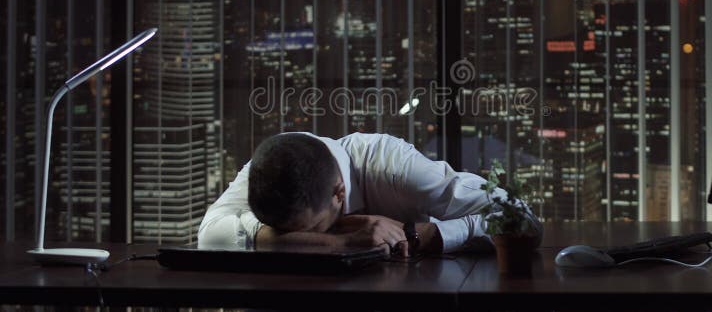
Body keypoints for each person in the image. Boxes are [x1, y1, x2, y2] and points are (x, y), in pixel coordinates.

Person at [198, 132, 543, 256]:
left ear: (339, 192)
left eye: (311, 228)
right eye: (283, 232)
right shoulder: (269, 168)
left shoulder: (394, 169)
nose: (300, 241)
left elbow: (522, 218)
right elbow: (208, 234)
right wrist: (343, 243)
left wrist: (434, 233)